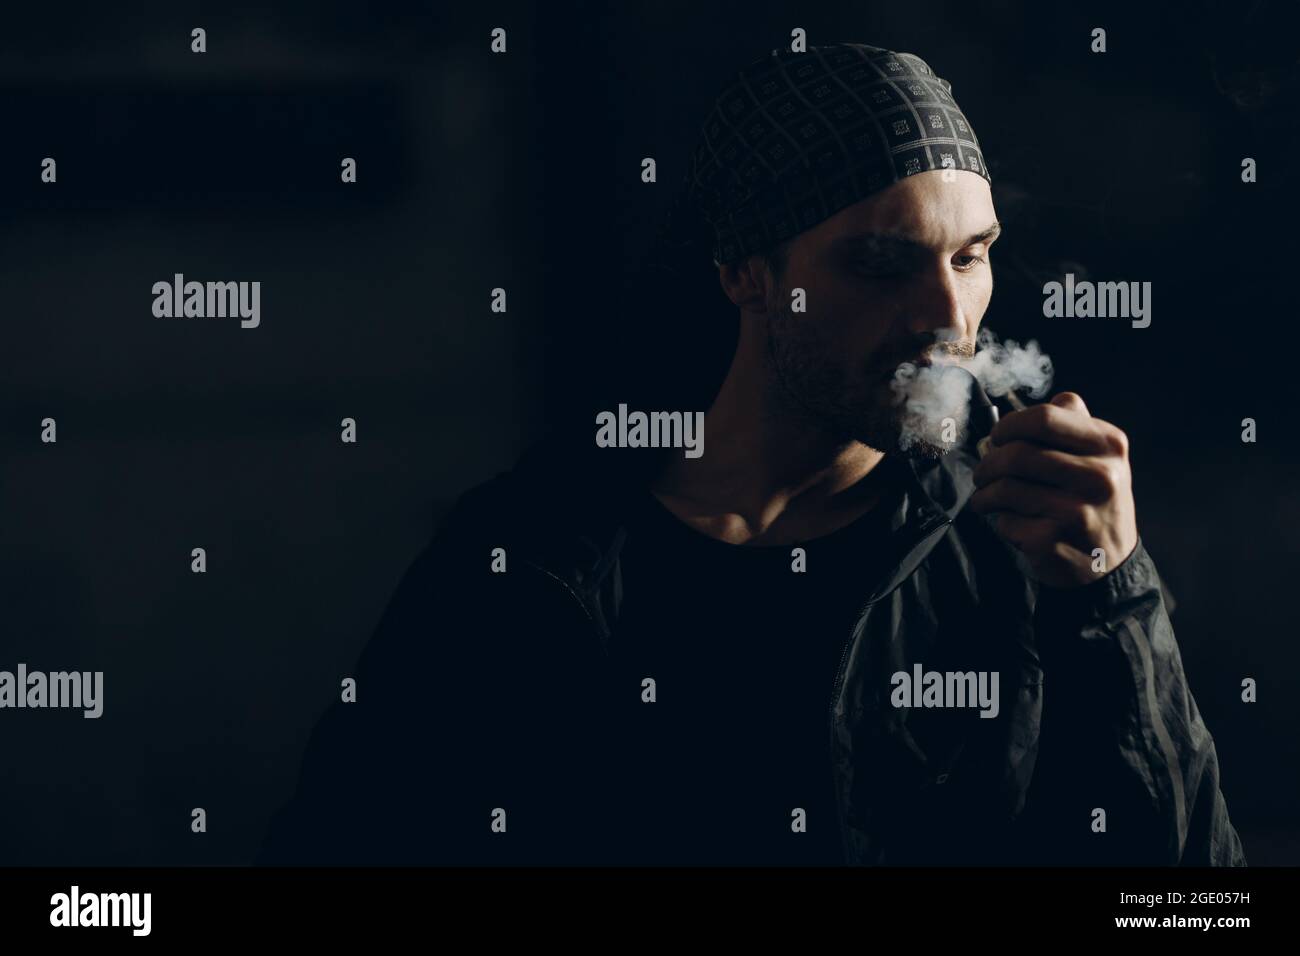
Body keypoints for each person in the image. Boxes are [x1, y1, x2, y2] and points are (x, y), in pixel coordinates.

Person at [259, 42, 1244, 866]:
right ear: (746, 272)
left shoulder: (1015, 547)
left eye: (968, 254)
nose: (948, 317)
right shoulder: (526, 560)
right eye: (878, 260)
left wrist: (1110, 597)